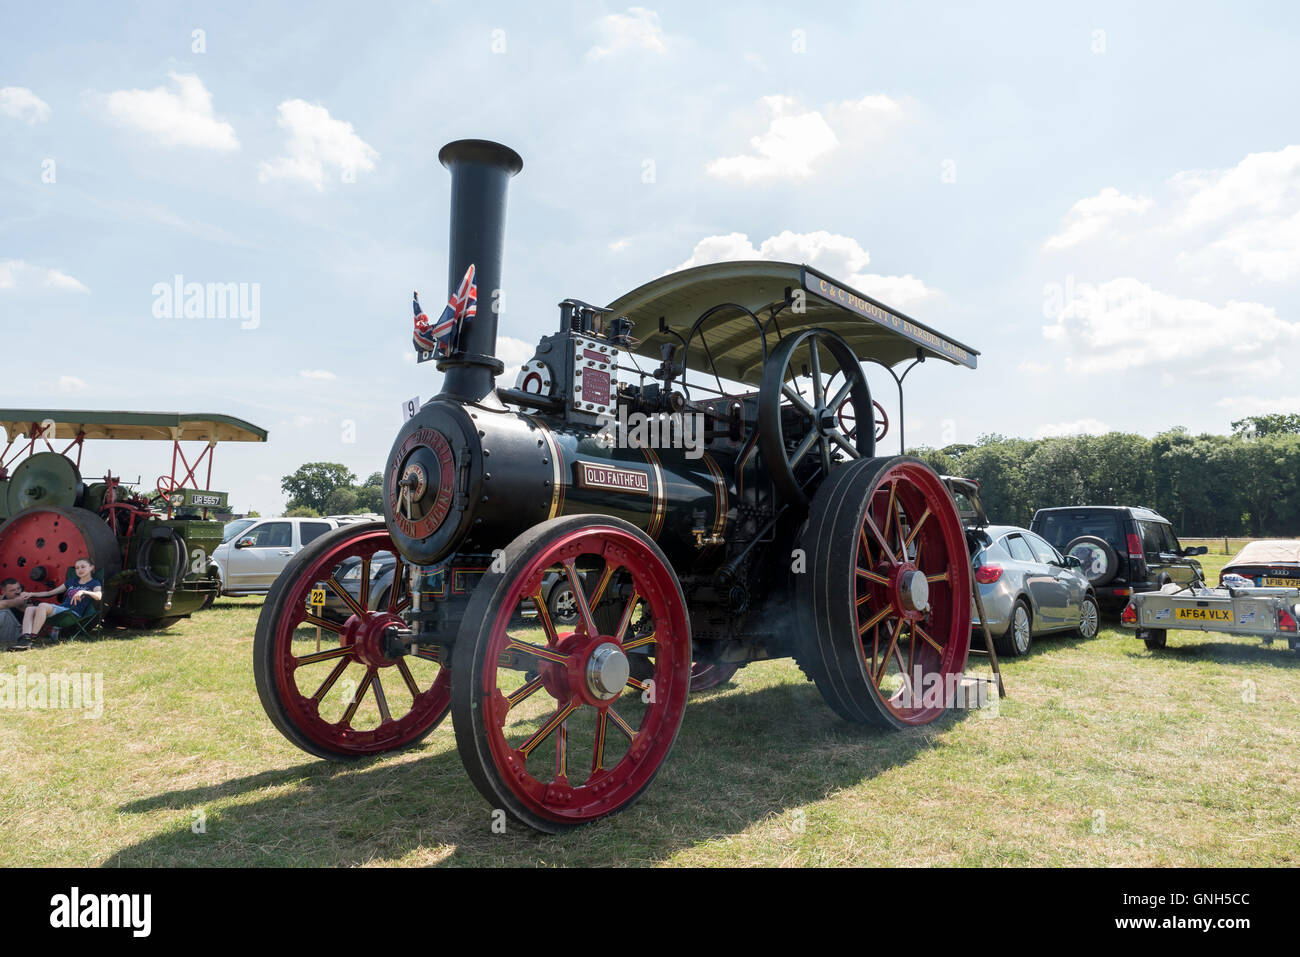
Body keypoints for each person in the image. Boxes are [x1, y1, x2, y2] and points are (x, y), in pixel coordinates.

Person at [18, 558, 102, 647]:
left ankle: (32, 637)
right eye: (77, 568)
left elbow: (98, 596)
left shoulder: (94, 583)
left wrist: (83, 592)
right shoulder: (71, 582)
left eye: (83, 567)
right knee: (29, 609)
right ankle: (25, 638)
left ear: (91, 568)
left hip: (71, 613)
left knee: (42, 606)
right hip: (61, 609)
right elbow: (50, 593)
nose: (79, 570)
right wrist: (30, 594)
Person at [0, 577, 25, 649]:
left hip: (16, 633)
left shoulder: (21, 599)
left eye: (18, 588)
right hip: (4, 630)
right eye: (12, 590)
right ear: (3, 592)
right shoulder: (3, 598)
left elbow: (3, 604)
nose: (17, 592)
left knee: (3, 613)